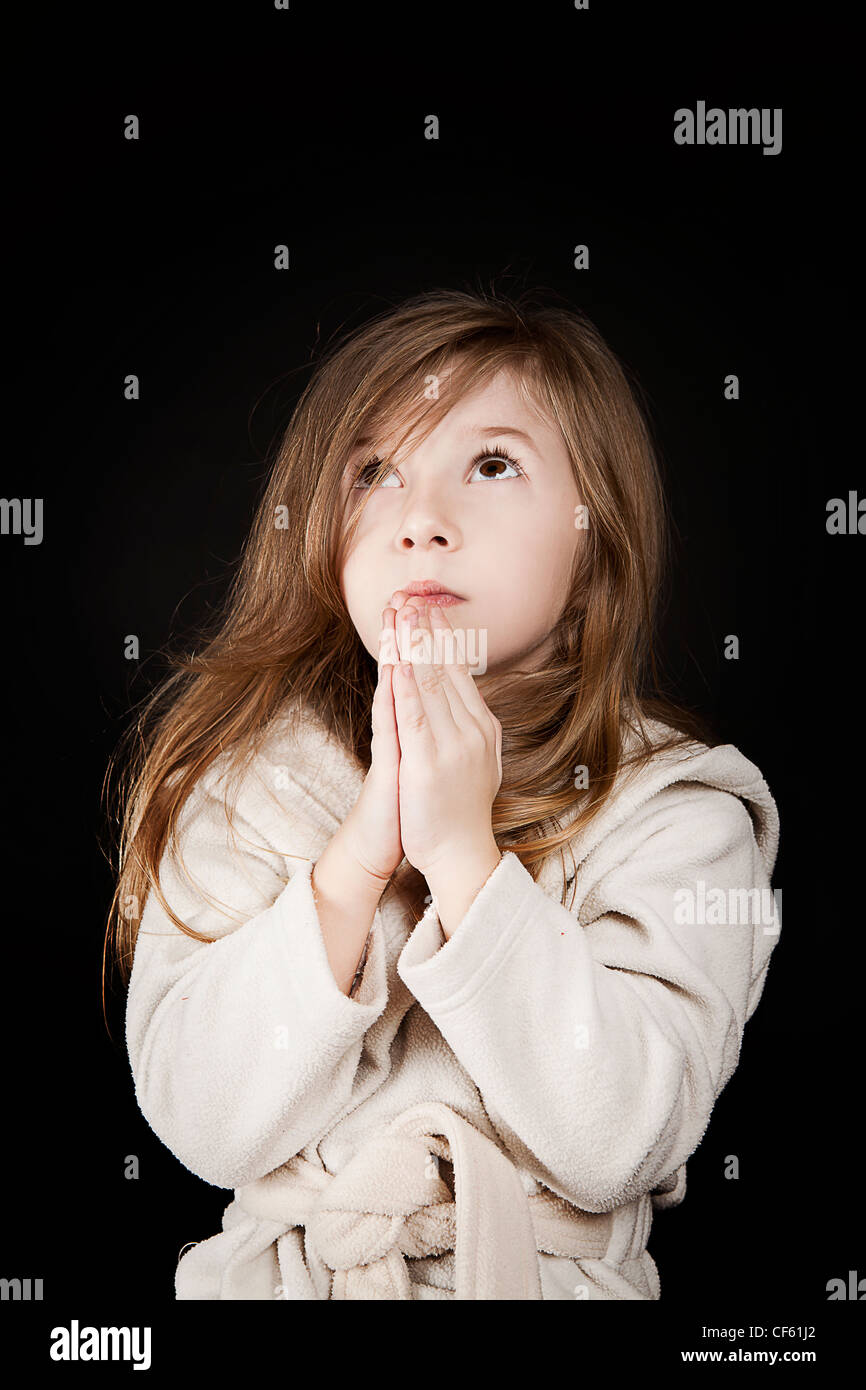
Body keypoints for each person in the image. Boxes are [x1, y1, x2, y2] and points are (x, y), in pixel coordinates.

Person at [104, 286, 780, 1300]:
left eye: (492, 464)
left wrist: (464, 858)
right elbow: (202, 1120)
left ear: (593, 533)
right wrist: (356, 861)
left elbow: (619, 1135)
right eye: (374, 471)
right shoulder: (243, 786)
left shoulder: (678, 818)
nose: (420, 520)